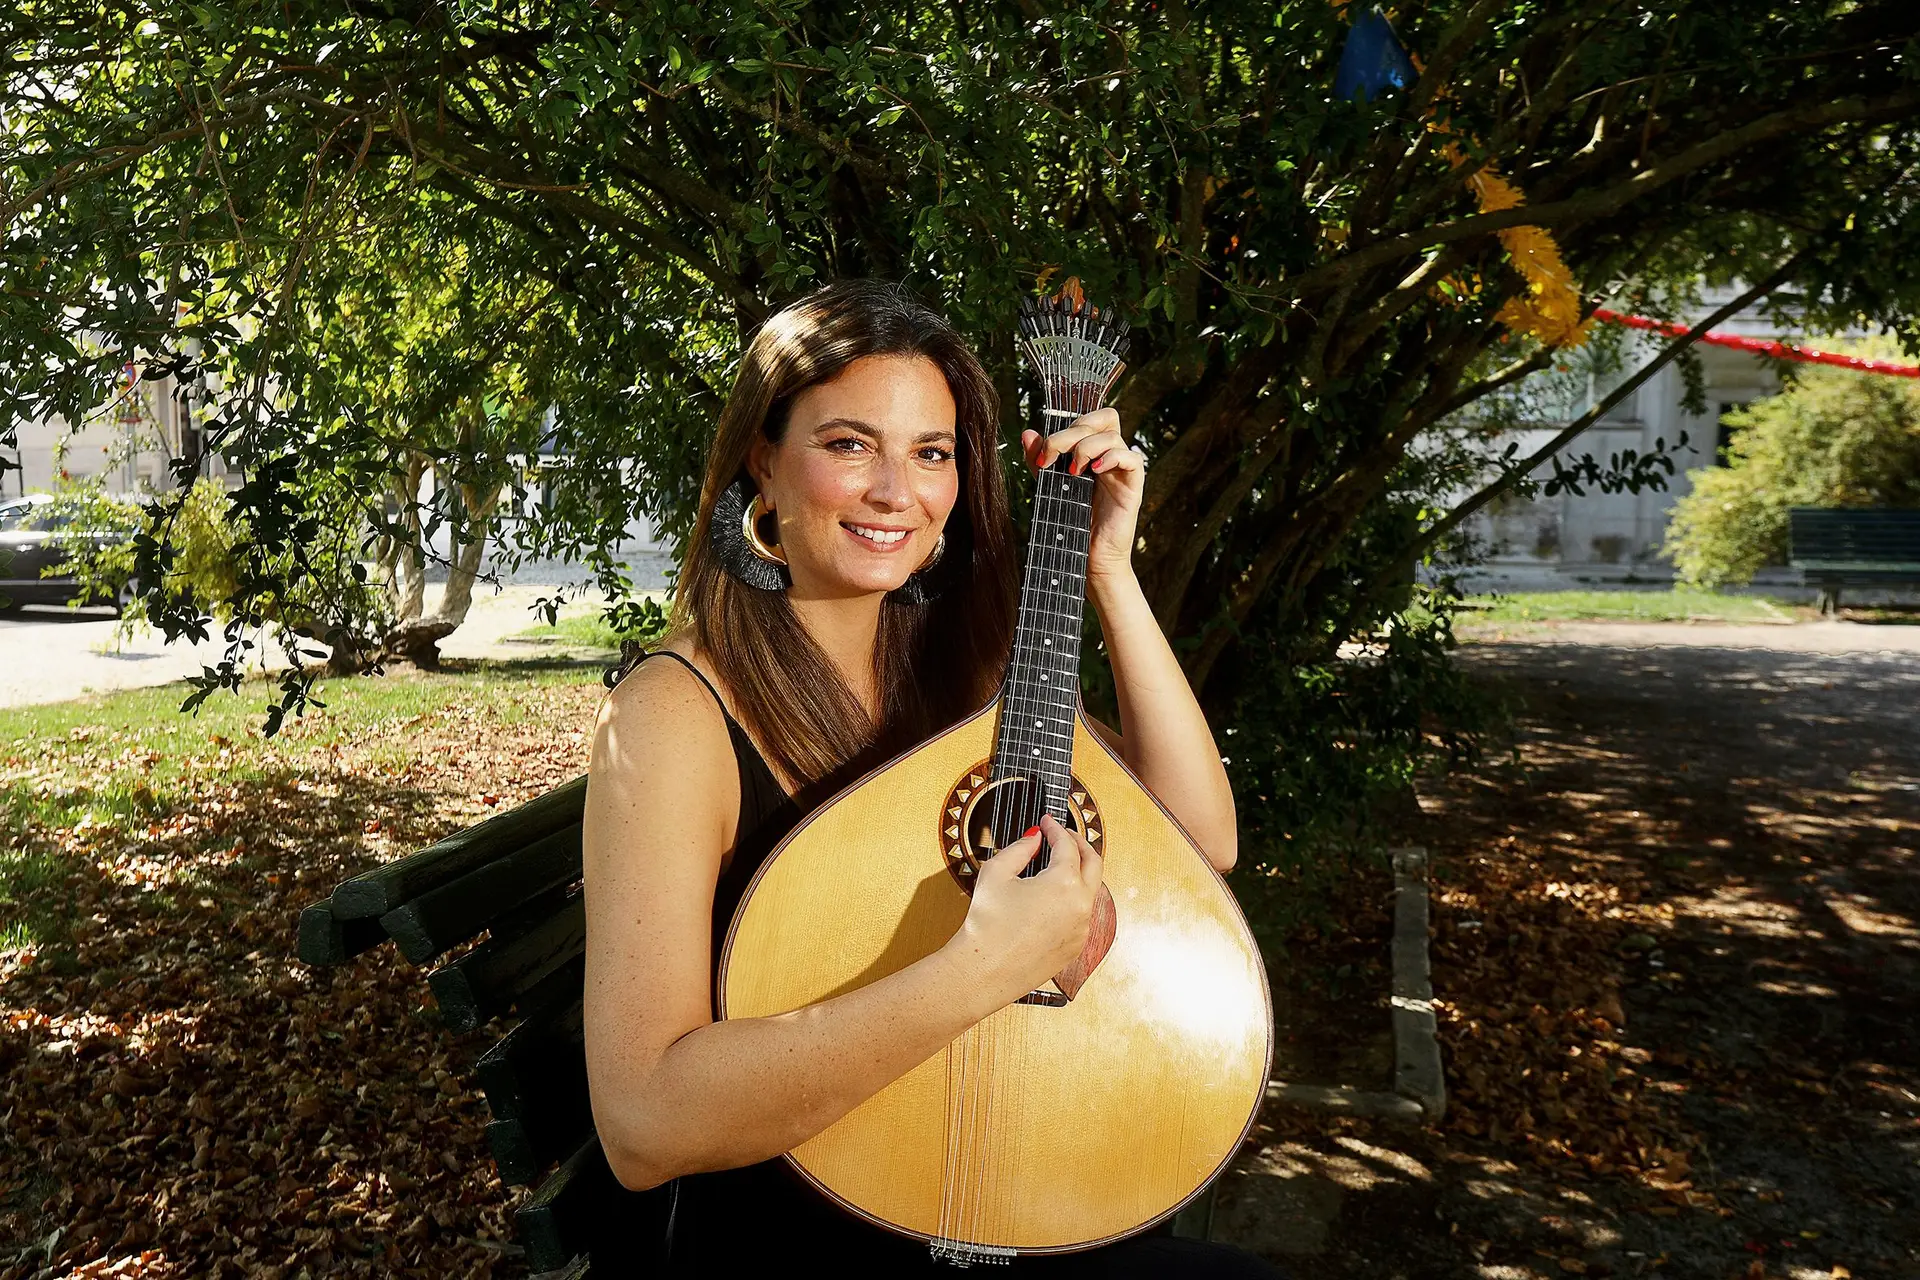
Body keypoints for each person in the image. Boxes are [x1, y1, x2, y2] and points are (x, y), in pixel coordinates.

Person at [583, 279, 1277, 1276]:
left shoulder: (964, 669)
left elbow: (1202, 837)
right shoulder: (676, 710)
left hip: (999, 1167)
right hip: (807, 1232)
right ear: (762, 466)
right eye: (848, 444)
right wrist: (983, 967)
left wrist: (1109, 574)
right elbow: (643, 1122)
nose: (894, 491)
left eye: (931, 453)